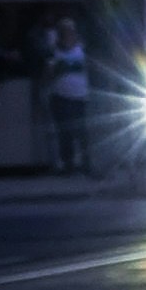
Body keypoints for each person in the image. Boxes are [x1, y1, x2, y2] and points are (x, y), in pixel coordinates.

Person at [45, 15, 93, 175]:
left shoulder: (82, 49)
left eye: (71, 31)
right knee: (65, 133)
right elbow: (50, 72)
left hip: (79, 97)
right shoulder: (54, 51)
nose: (69, 34)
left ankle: (86, 164)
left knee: (82, 132)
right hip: (61, 97)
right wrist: (61, 67)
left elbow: (88, 66)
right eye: (65, 31)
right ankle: (68, 165)